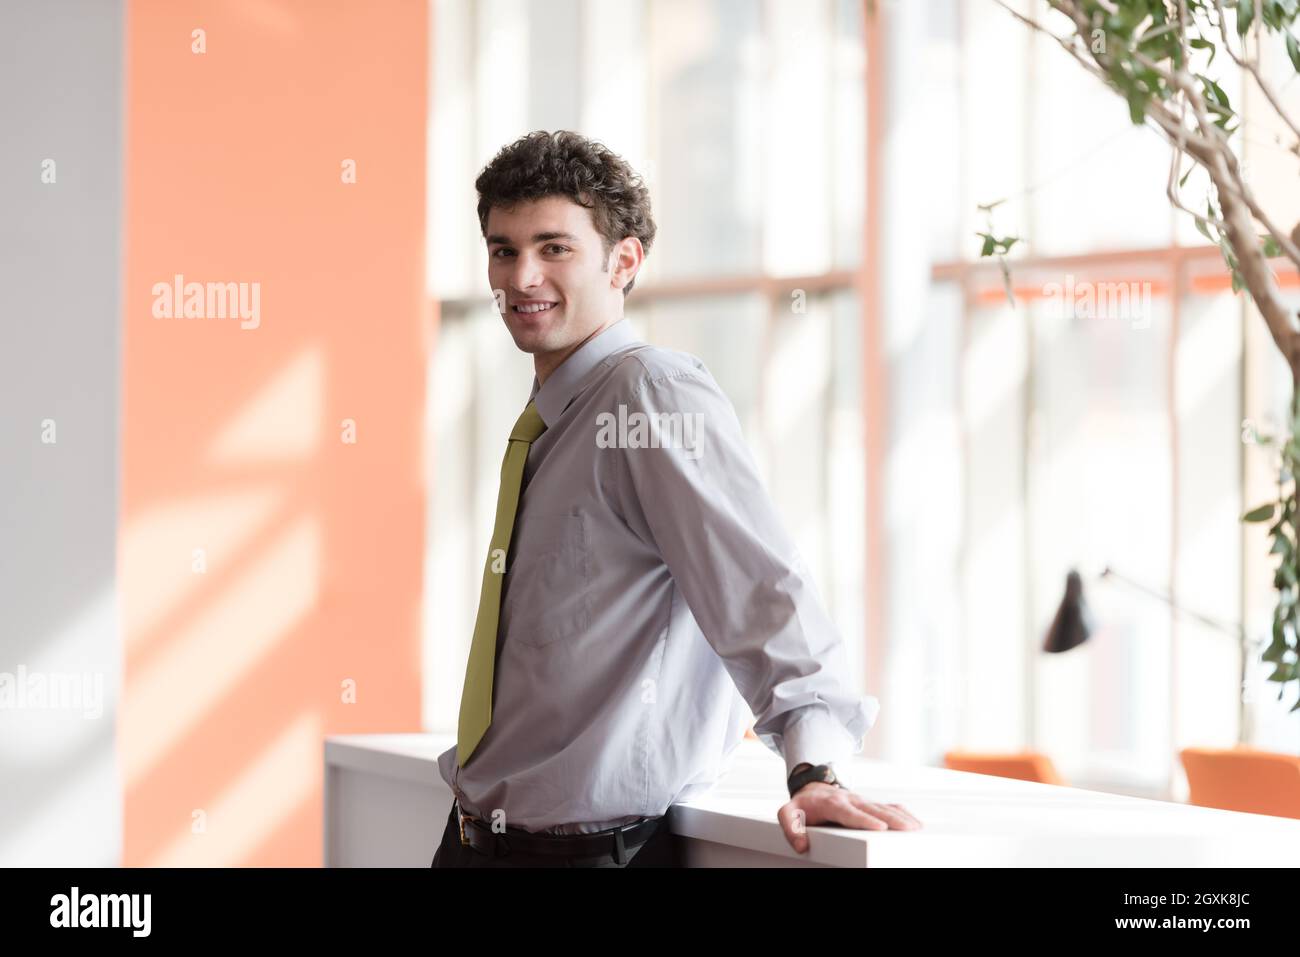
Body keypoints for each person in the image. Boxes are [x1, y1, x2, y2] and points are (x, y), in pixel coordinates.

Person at [432, 130, 922, 868]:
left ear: (623, 260)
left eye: (554, 247)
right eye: (504, 249)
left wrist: (812, 766)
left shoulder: (649, 394)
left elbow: (761, 587)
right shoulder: (556, 414)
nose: (522, 275)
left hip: (582, 855)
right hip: (476, 838)